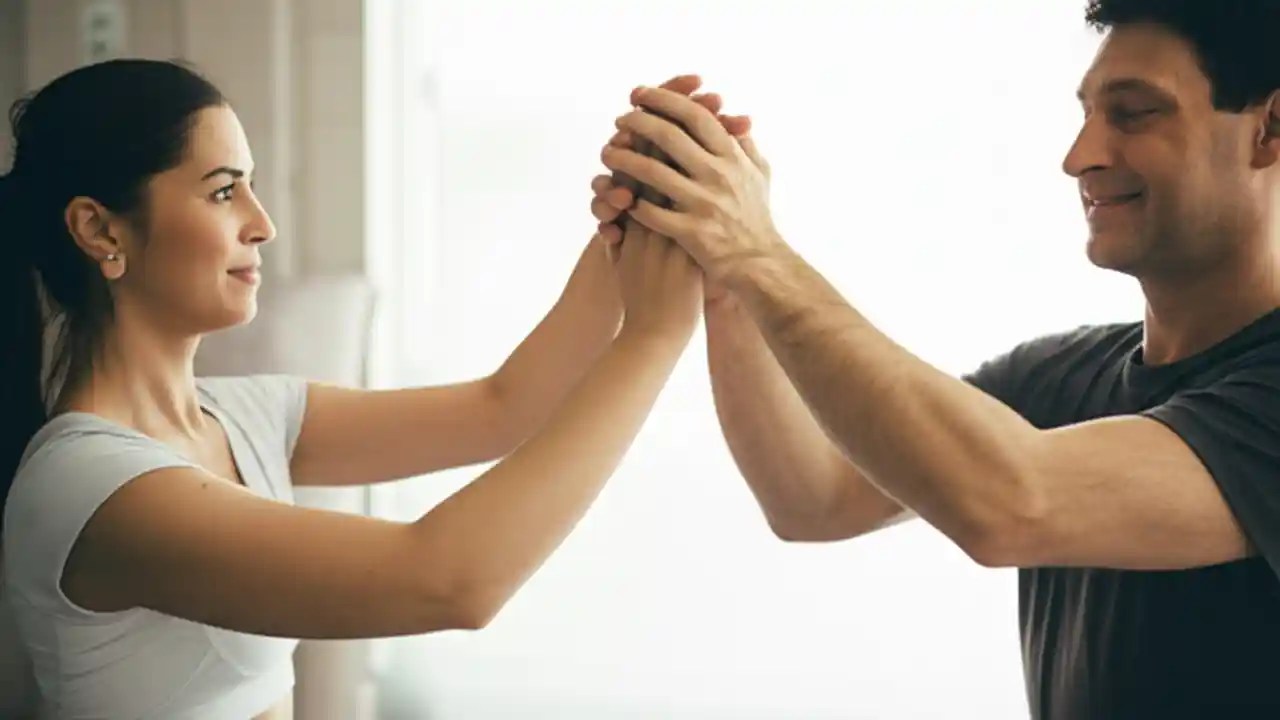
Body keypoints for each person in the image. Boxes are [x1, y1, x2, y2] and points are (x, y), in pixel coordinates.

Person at [593, 1, 1280, 717]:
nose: (1081, 157)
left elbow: (1010, 504)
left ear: (1268, 129)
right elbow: (814, 497)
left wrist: (757, 254)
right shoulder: (1058, 377)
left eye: (1134, 113)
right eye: (1086, 116)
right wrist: (727, 279)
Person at [0, 60, 721, 720]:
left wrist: (628, 228)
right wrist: (654, 338)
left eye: (251, 185)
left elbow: (506, 408)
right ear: (98, 229)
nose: (262, 223)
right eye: (223, 191)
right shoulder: (92, 485)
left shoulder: (246, 415)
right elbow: (451, 581)